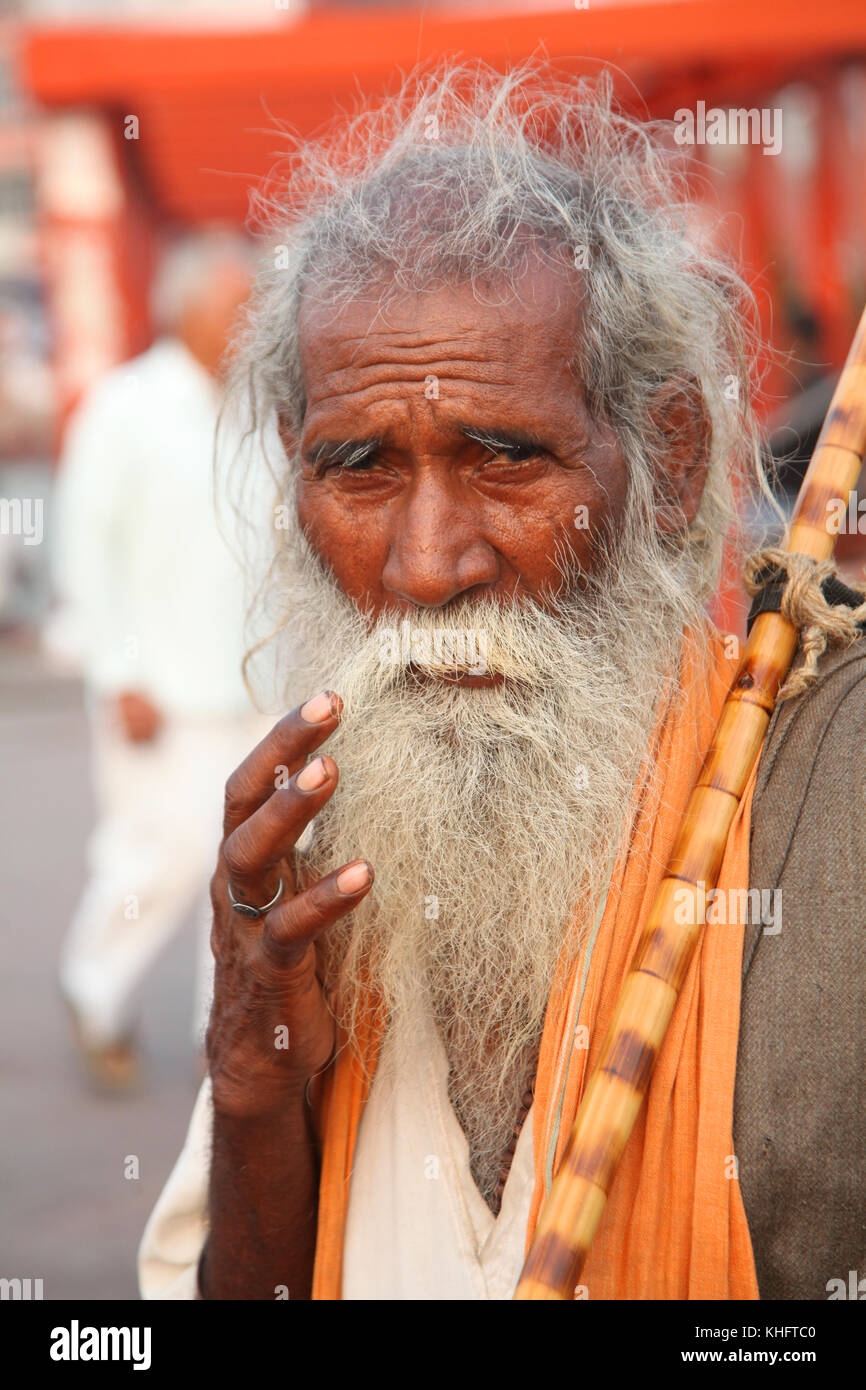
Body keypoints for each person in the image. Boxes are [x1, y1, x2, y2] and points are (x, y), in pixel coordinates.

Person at [138, 66, 865, 1299]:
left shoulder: (833, 782)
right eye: (358, 468)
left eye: (506, 459)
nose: (427, 567)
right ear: (292, 475)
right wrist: (253, 1084)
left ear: (671, 459)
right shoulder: (321, 846)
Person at [51, 231, 272, 1089]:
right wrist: (120, 673)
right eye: (231, 309)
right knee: (160, 855)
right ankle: (92, 989)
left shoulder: (265, 406)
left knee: (250, 866)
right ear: (182, 312)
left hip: (258, 686)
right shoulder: (124, 407)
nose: (246, 324)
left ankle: (220, 1035)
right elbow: (86, 552)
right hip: (161, 693)